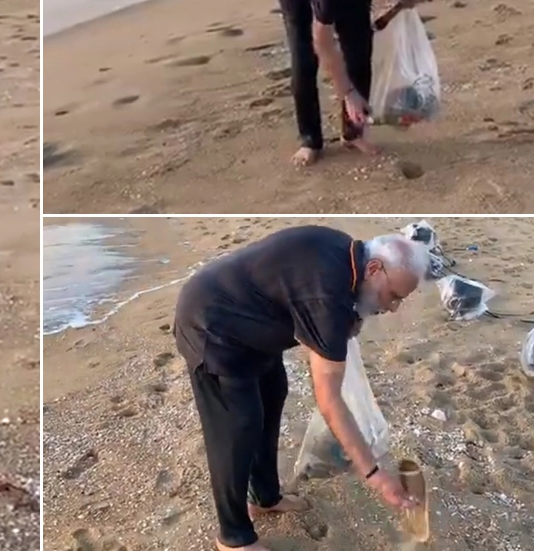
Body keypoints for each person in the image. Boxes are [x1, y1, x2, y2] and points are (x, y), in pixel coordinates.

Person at [172, 226, 428, 551]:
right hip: (209, 325)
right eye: (394, 296)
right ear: (375, 269)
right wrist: (375, 474)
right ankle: (233, 537)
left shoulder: (347, 255)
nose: (392, 308)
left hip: (252, 330)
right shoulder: (328, 294)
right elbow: (330, 401)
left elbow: (305, 299)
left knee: (272, 395)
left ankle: (265, 497)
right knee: (237, 428)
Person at [276, 0, 423, 167]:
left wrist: (401, 1)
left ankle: (353, 133)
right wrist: (348, 93)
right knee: (304, 60)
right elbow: (322, 42)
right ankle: (310, 140)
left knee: (360, 54)